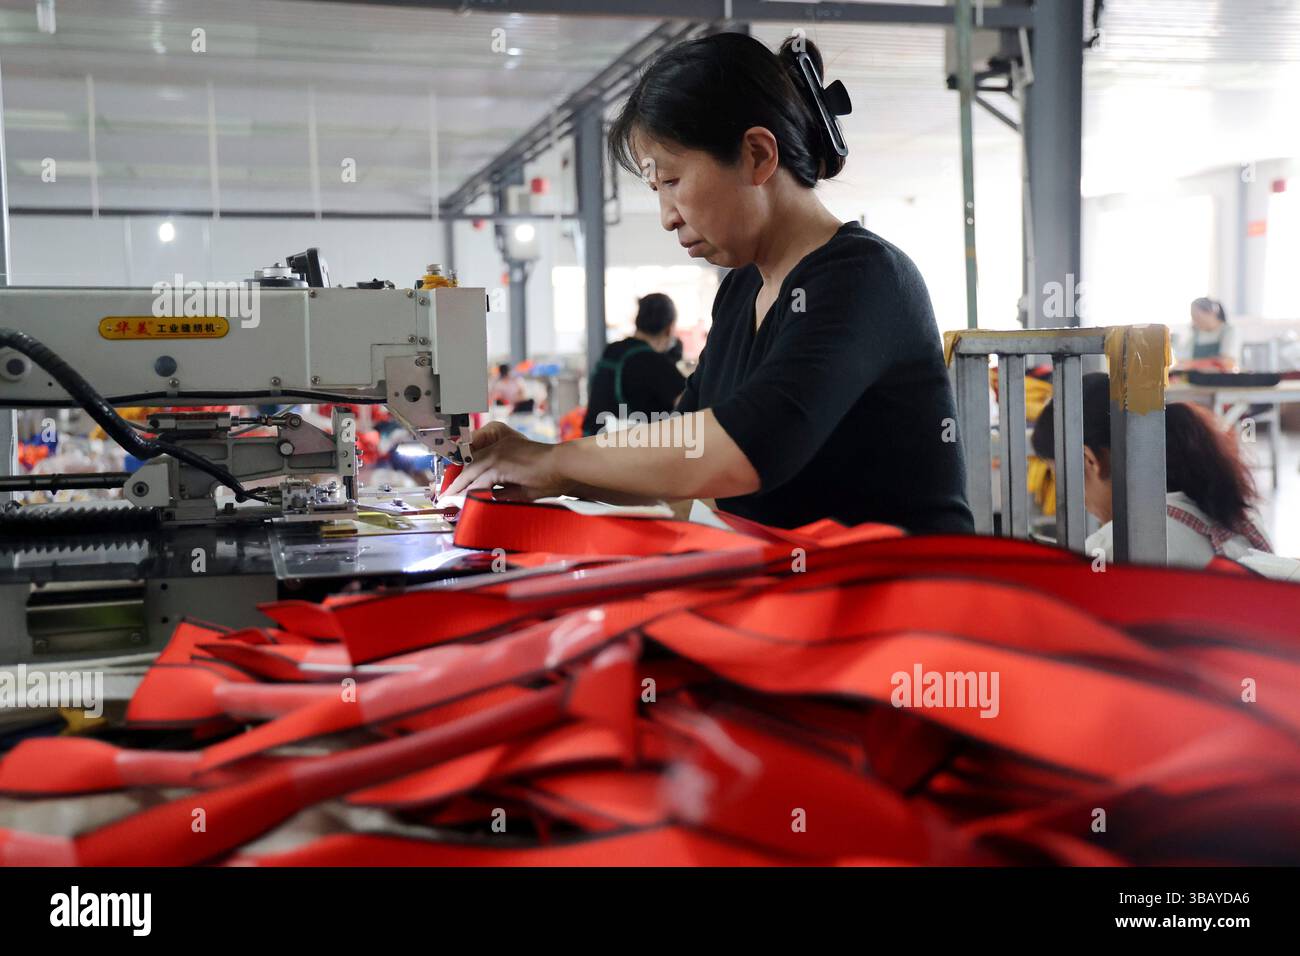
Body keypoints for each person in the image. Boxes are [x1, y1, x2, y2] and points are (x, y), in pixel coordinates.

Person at [446, 33, 973, 535]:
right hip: (802, 597)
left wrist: (554, 459)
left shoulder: (865, 278)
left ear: (758, 156)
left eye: (672, 182)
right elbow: (683, 460)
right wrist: (539, 469)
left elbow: (747, 447)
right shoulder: (741, 290)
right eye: (657, 190)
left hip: (900, 600)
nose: (667, 217)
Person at [1031, 372, 1271, 568]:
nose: (1071, 498)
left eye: (1059, 476)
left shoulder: (1117, 545)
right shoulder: (1234, 513)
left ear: (1089, 461)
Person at [582, 293, 686, 437]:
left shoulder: (612, 350)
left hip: (592, 444)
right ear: (669, 329)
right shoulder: (655, 363)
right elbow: (689, 404)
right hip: (628, 451)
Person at [1185, 297, 1236, 365]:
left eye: (1197, 317)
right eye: (1193, 318)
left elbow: (1225, 362)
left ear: (1211, 312)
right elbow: (1185, 358)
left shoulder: (1227, 331)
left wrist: (1194, 364)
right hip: (1195, 375)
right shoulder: (1196, 334)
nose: (1194, 322)